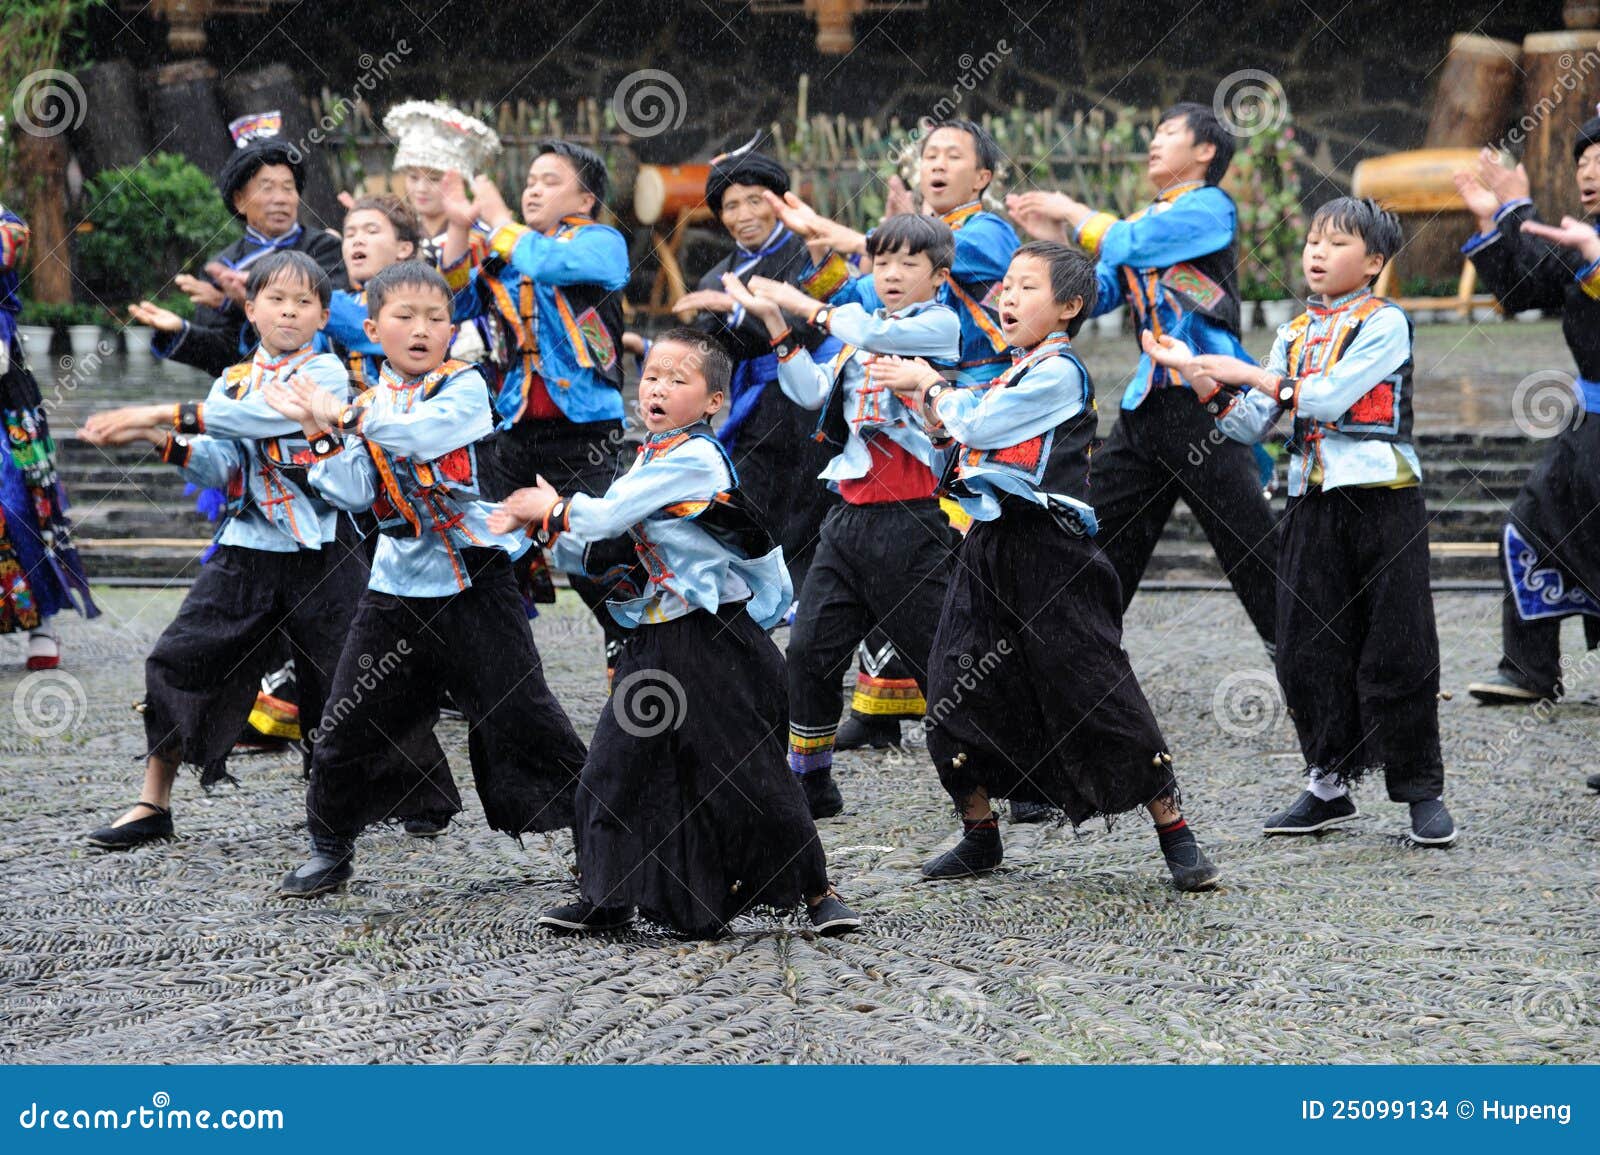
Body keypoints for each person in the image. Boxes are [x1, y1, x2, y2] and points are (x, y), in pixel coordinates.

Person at [490, 328, 860, 939]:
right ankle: (605, 894)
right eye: (653, 376)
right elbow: (605, 531)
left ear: (714, 401)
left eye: (677, 380)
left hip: (713, 643)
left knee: (749, 774)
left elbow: (607, 515)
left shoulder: (694, 457)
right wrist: (542, 520)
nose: (657, 388)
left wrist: (553, 509)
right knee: (613, 767)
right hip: (656, 643)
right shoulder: (652, 453)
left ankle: (818, 892)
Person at [876, 239, 1222, 891]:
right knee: (951, 682)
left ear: (1068, 307)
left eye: (1026, 287)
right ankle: (979, 832)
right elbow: (961, 454)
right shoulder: (1006, 374)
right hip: (988, 547)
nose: (1007, 296)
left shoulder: (1060, 372)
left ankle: (1175, 830)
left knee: (1097, 686)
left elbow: (981, 424)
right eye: (1005, 285)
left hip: (1052, 553)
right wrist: (937, 425)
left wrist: (931, 387)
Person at [264, 260, 588, 897]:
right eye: (404, 317)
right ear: (373, 325)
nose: (421, 329)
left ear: (451, 328)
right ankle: (329, 845)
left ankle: (597, 835)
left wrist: (346, 420)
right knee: (346, 717)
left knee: (522, 712)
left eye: (436, 318)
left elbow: (422, 437)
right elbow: (355, 492)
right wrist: (316, 429)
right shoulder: (362, 402)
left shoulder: (463, 387)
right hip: (396, 588)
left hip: (478, 578)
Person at [1143, 197, 1456, 847]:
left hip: (1383, 495)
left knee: (1399, 642)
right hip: (1309, 498)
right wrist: (1200, 378)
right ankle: (1327, 783)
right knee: (1307, 645)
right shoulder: (1293, 333)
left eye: (1336, 243)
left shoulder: (1385, 323)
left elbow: (1327, 397)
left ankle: (1420, 788)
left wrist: (1250, 374)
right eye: (1313, 241)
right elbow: (1252, 425)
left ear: (1373, 262)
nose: (1316, 253)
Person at [75, 252, 398, 848]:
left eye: (305, 303)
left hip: (322, 552)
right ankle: (153, 803)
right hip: (248, 547)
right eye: (277, 300)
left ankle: (346, 813)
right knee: (179, 659)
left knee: (341, 682)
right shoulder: (232, 381)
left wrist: (159, 412)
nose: (290, 312)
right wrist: (162, 440)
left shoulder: (325, 375)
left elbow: (256, 420)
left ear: (324, 315)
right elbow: (226, 462)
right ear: (250, 310)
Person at [765, 118, 1021, 755]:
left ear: (982, 177)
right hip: (871, 465)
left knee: (962, 598)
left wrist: (860, 241)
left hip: (978, 409)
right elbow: (855, 297)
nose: (935, 163)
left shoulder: (985, 230)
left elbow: (940, 268)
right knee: (864, 593)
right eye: (928, 153)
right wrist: (808, 274)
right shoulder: (891, 270)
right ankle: (873, 714)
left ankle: (1011, 747)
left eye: (951, 155)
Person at [1007, 101, 1280, 653]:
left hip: (1205, 398)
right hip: (1147, 404)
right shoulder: (1137, 220)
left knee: (1251, 548)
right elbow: (1098, 293)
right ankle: (1078, 656)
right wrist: (1056, 241)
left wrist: (1073, 209)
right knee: (1098, 536)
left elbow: (1128, 248)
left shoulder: (1211, 207)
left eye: (1167, 132)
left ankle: (1308, 655)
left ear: (1205, 151)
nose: (1154, 141)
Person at [722, 214, 961, 820]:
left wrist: (804, 303)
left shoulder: (939, 323)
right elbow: (807, 390)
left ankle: (1004, 779)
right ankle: (812, 781)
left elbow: (858, 329)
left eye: (909, 264)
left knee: (945, 662)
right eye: (881, 264)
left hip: (914, 522)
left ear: (939, 275)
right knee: (808, 650)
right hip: (847, 518)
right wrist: (778, 324)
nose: (892, 275)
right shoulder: (862, 335)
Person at [438, 142, 631, 676]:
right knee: (495, 544)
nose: (532, 189)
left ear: (586, 198)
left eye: (549, 179)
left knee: (596, 545)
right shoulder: (502, 247)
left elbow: (555, 264)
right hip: (515, 423)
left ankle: (628, 637)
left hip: (586, 426)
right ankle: (498, 661)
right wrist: (459, 227)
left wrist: (499, 220)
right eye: (528, 181)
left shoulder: (601, 242)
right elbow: (450, 306)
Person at [1454, 129, 1600, 746]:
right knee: (1531, 527)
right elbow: (1525, 290)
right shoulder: (1580, 235)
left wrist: (1518, 211)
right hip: (1588, 419)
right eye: (1585, 162)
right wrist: (1495, 224)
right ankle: (1530, 669)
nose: (1588, 172)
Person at [668, 137, 839, 598]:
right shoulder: (715, 276)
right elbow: (720, 352)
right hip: (753, 407)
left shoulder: (810, 254)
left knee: (811, 507)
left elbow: (814, 328)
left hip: (811, 401)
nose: (743, 215)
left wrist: (740, 309)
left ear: (778, 200)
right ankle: (761, 602)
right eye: (730, 205)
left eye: (754, 200)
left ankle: (811, 605)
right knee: (753, 506)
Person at [134, 114, 345, 379]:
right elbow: (225, 358)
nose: (280, 199)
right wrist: (180, 330)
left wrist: (245, 298)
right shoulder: (221, 268)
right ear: (239, 201)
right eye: (266, 189)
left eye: (288, 188)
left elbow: (334, 321)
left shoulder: (325, 248)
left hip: (318, 383)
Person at [0, 203, 98, 668]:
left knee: (19, 504)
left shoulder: (5, 219)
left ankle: (43, 621)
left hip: (5, 392)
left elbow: (9, 242)